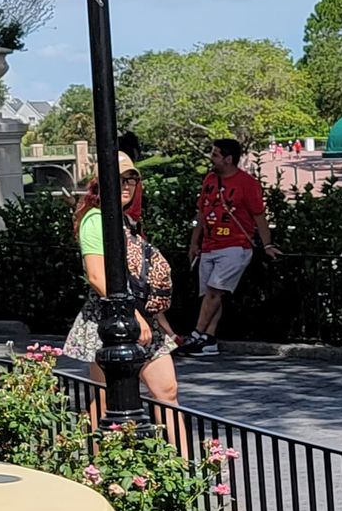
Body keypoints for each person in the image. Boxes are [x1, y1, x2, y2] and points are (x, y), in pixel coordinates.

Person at [60, 154, 180, 432]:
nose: (126, 185)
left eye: (131, 179)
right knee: (105, 398)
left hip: (141, 315)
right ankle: (90, 465)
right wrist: (133, 315)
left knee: (167, 391)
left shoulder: (126, 220)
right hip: (109, 318)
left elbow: (141, 277)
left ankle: (184, 467)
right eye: (119, 179)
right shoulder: (94, 220)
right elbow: (96, 276)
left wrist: (161, 323)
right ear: (101, 183)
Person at [180, 138, 280, 357]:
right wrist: (194, 243)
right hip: (209, 245)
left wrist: (267, 244)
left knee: (215, 290)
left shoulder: (247, 183)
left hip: (235, 245)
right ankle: (209, 340)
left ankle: (197, 335)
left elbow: (259, 216)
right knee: (210, 294)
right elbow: (202, 214)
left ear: (228, 159)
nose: (211, 158)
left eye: (215, 154)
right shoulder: (210, 179)